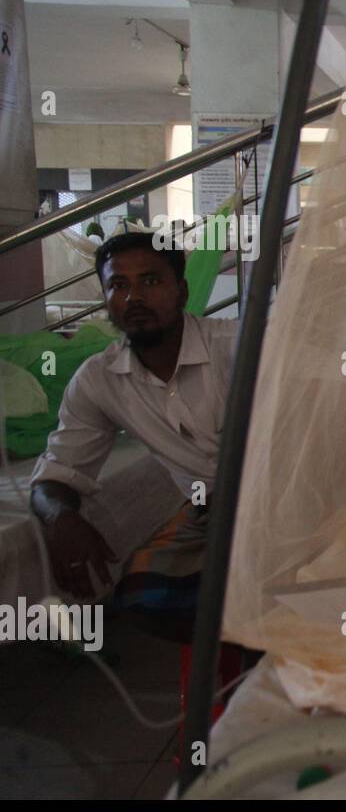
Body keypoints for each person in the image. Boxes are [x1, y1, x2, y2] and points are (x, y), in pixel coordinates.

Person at [29, 230, 237, 641]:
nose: (134, 297)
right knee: (140, 598)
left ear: (181, 290)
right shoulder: (99, 379)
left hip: (288, 506)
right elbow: (57, 471)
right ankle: (232, 673)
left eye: (151, 281)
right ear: (105, 298)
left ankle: (258, 667)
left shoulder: (239, 346)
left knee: (274, 601)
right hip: (212, 519)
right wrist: (61, 517)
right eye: (118, 285)